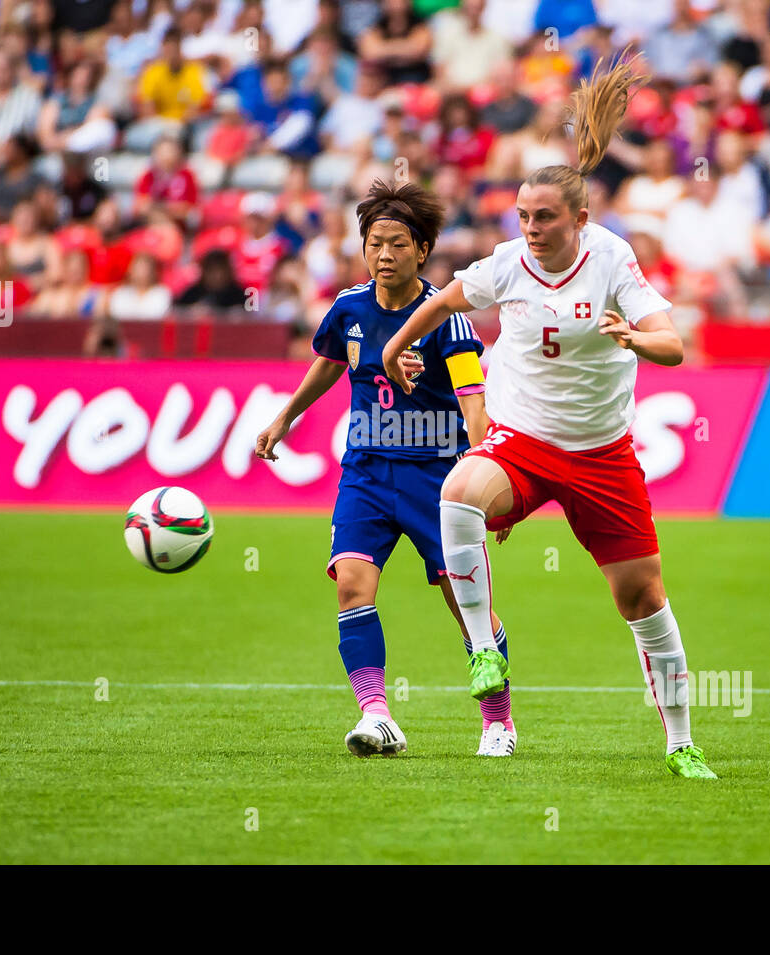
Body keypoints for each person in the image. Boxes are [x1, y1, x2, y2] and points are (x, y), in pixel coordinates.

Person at [381, 58, 718, 779]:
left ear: (581, 221)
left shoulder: (612, 259)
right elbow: (441, 302)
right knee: (459, 494)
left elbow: (675, 344)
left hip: (601, 452)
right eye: (523, 216)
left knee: (644, 598)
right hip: (524, 440)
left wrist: (636, 338)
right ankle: (483, 650)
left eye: (544, 217)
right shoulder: (507, 262)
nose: (531, 228)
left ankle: (681, 741)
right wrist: (395, 348)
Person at [254, 180, 517, 758]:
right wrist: (285, 419)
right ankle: (376, 716)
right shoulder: (348, 308)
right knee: (351, 582)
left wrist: (488, 479)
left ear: (422, 251)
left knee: (465, 603)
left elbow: (475, 404)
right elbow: (328, 365)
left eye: (398, 244)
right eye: (375, 243)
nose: (384, 255)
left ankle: (497, 720)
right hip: (367, 473)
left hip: (438, 479)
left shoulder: (449, 320)